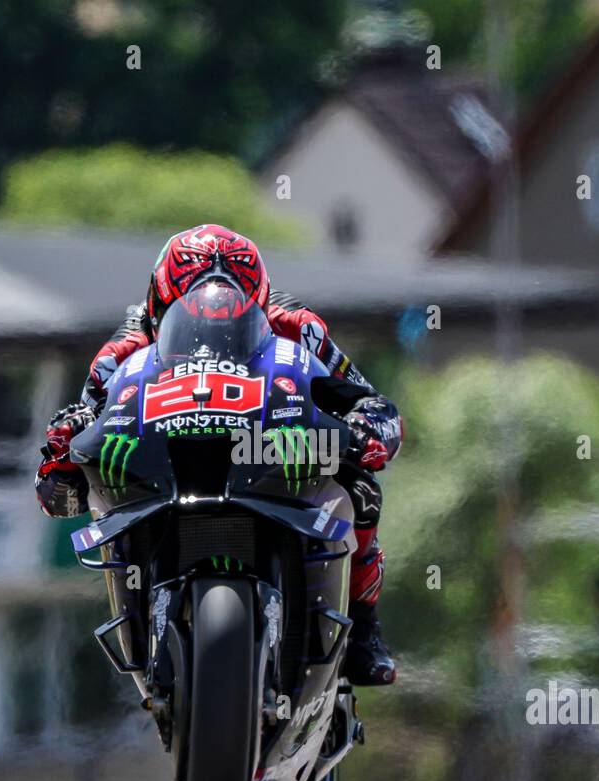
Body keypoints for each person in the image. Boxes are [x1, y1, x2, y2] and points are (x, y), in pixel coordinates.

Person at [36, 224, 402, 685]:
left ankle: (365, 629)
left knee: (362, 487)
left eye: (234, 303)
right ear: (159, 303)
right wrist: (63, 448)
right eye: (191, 302)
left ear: (259, 301)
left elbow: (368, 399)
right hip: (169, 464)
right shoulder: (121, 352)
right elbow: (78, 435)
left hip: (271, 450)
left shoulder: (299, 328)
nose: (211, 316)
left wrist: (367, 426)